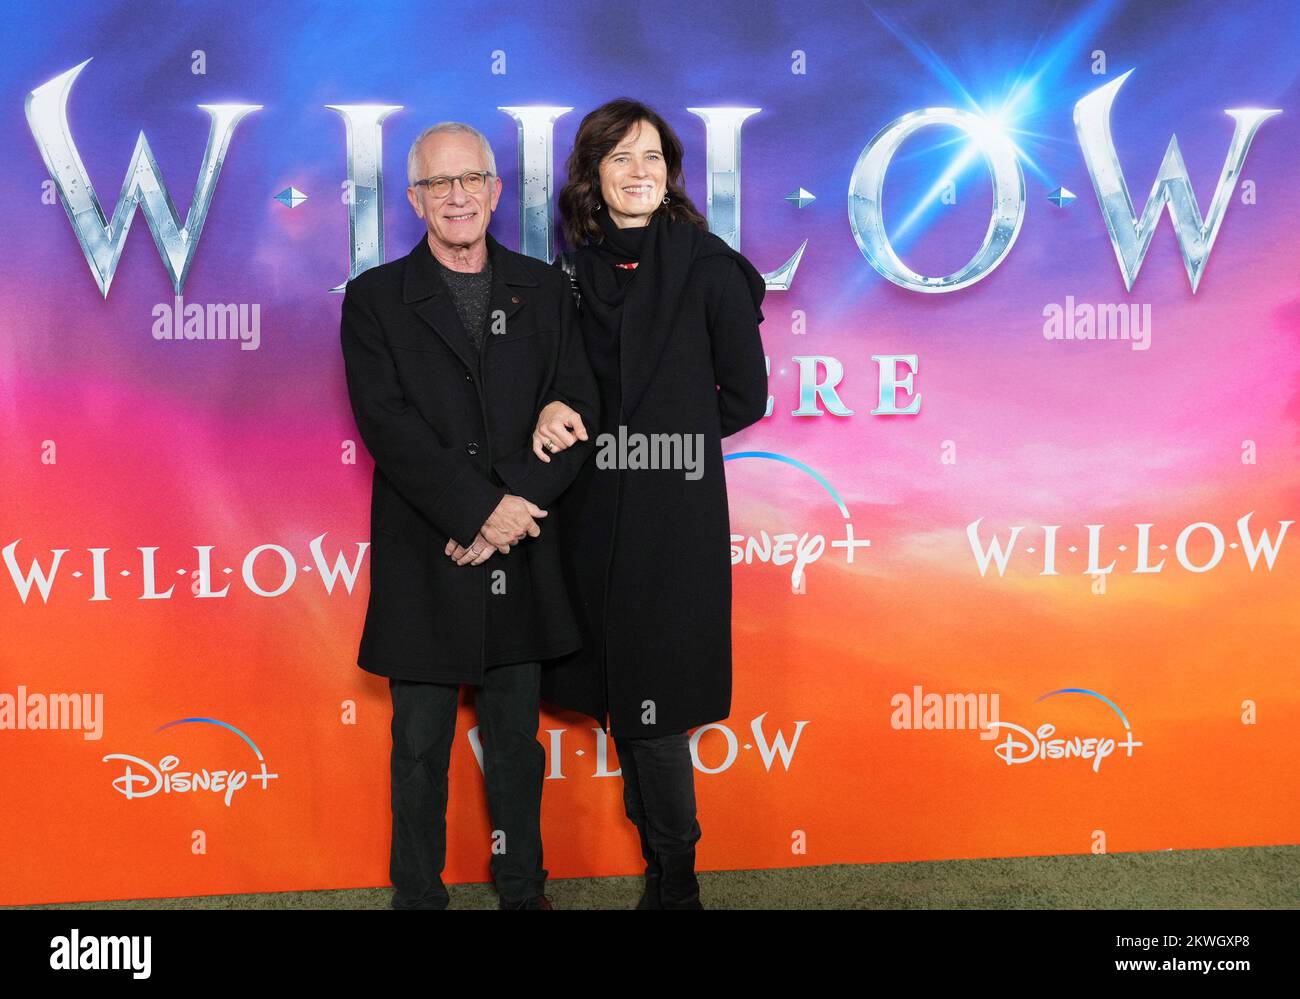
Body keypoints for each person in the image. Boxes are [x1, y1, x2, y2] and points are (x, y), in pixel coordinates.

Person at [340, 121, 598, 910]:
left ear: (493, 189)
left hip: (515, 556)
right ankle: (418, 896)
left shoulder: (547, 289)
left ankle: (526, 892)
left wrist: (505, 512)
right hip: (430, 553)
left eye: (471, 180)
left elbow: (577, 407)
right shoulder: (375, 298)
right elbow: (389, 426)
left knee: (517, 746)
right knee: (418, 745)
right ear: (415, 198)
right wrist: (481, 510)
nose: (458, 197)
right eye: (438, 184)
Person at [534, 99, 768, 909]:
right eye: (621, 159)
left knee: (656, 694)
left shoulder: (709, 266)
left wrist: (663, 442)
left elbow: (744, 394)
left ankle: (677, 872)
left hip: (674, 516)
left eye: (653, 159)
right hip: (585, 515)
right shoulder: (567, 277)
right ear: (592, 178)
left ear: (671, 175)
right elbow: (553, 391)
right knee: (619, 690)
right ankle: (666, 860)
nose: (639, 173)